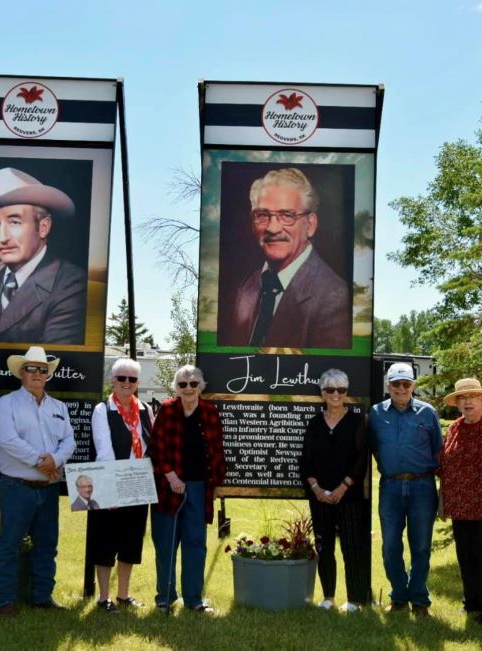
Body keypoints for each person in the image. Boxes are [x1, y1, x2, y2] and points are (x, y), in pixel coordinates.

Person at [0, 167, 87, 344]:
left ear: (43, 227)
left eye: (14, 222)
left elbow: (55, 353)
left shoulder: (71, 283)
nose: (2, 238)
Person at [0, 346, 75, 616]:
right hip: (17, 487)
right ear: (21, 373)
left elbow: (69, 441)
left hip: (48, 489)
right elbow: (7, 439)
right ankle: (3, 601)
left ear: (47, 374)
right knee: (9, 544)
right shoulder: (6, 404)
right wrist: (42, 461)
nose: (37, 373)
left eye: (42, 369)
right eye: (31, 369)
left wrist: (56, 460)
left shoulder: (59, 407)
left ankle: (42, 596)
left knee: (47, 544)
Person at [224, 167, 350, 349]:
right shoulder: (246, 289)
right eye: (263, 215)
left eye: (286, 215)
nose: (272, 228)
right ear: (253, 223)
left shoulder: (336, 299)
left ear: (310, 225)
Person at [149, 365, 227, 614]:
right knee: (166, 543)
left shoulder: (210, 412)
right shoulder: (167, 410)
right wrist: (171, 475)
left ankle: (193, 598)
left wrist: (216, 484)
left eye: (193, 384)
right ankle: (165, 596)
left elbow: (217, 450)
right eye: (183, 384)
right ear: (176, 388)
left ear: (200, 387)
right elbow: (156, 448)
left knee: (195, 543)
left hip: (199, 487)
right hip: (167, 487)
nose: (188, 388)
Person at [368, 362, 442, 617]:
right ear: (388, 385)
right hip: (390, 486)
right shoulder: (376, 413)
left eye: (406, 384)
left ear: (413, 385)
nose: (401, 388)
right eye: (396, 384)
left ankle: (419, 599)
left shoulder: (428, 413)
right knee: (390, 545)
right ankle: (399, 595)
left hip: (423, 486)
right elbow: (373, 447)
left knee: (421, 546)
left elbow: (438, 451)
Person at [300, 369, 370, 613]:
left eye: (341, 390)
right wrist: (316, 488)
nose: (336, 394)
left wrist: (343, 487)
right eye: (330, 390)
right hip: (319, 496)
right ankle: (328, 596)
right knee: (324, 546)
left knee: (351, 547)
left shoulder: (357, 422)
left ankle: (354, 599)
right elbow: (305, 461)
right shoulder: (314, 423)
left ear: (346, 392)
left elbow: (361, 460)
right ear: (322, 393)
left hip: (349, 496)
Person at [88, 358, 153, 613]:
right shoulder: (103, 410)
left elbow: (150, 445)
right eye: (122, 378)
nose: (127, 383)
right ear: (112, 381)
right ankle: (104, 597)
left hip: (137, 483)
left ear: (138, 382)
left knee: (131, 541)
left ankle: (123, 594)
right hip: (110, 482)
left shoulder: (145, 409)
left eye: (132, 379)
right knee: (104, 539)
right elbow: (104, 451)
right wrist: (110, 492)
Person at [438, 377, 482, 624]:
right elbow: (446, 466)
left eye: (473, 397)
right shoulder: (455, 427)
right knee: (466, 557)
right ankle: (471, 601)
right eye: (463, 398)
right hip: (459, 505)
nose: (468, 402)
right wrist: (442, 500)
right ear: (457, 403)